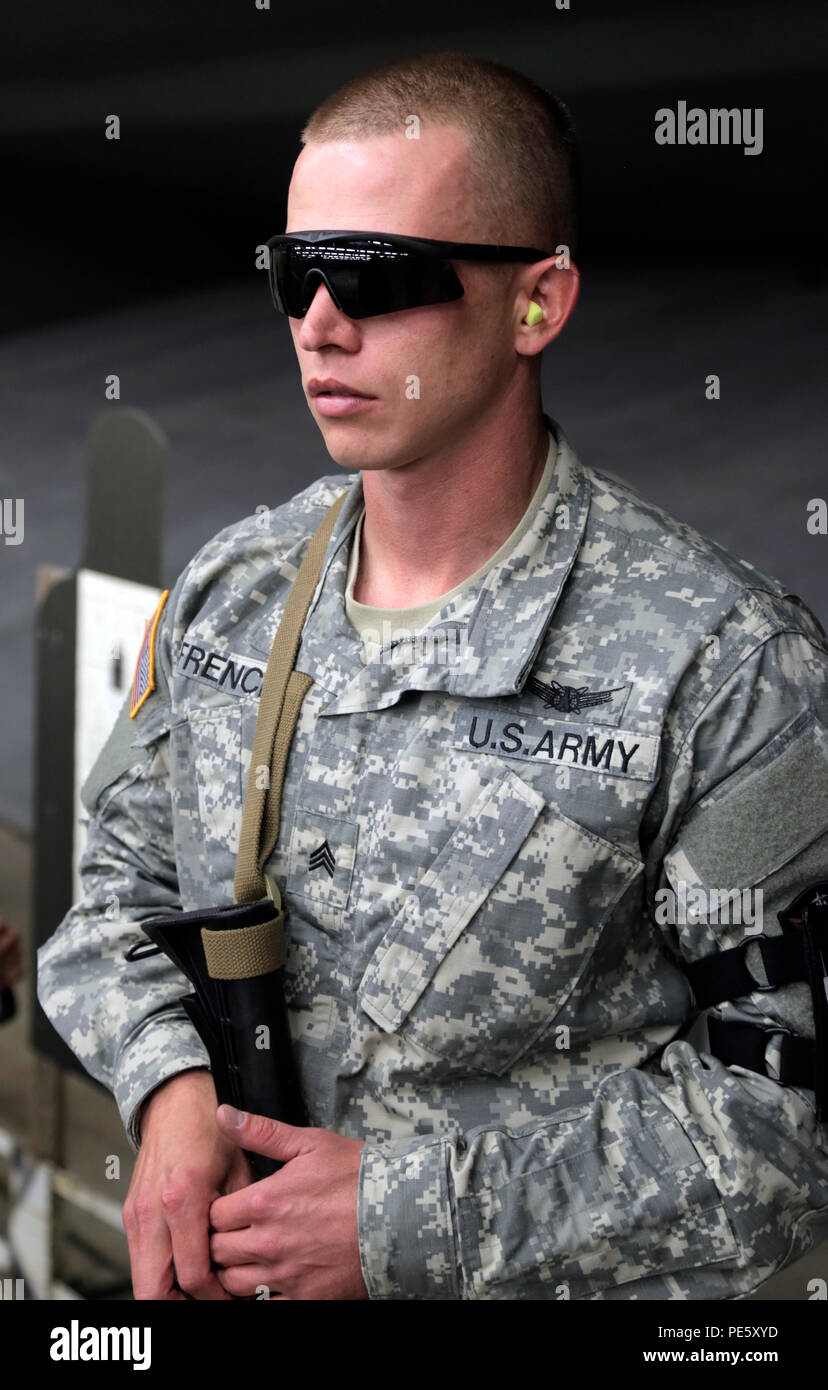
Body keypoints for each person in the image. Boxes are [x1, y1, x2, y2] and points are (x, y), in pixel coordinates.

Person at [37, 50, 828, 1301]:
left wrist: (400, 1223)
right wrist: (171, 1087)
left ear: (538, 303)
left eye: (381, 277)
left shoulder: (723, 667)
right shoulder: (235, 590)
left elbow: (784, 1132)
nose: (320, 324)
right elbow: (114, 897)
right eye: (296, 275)